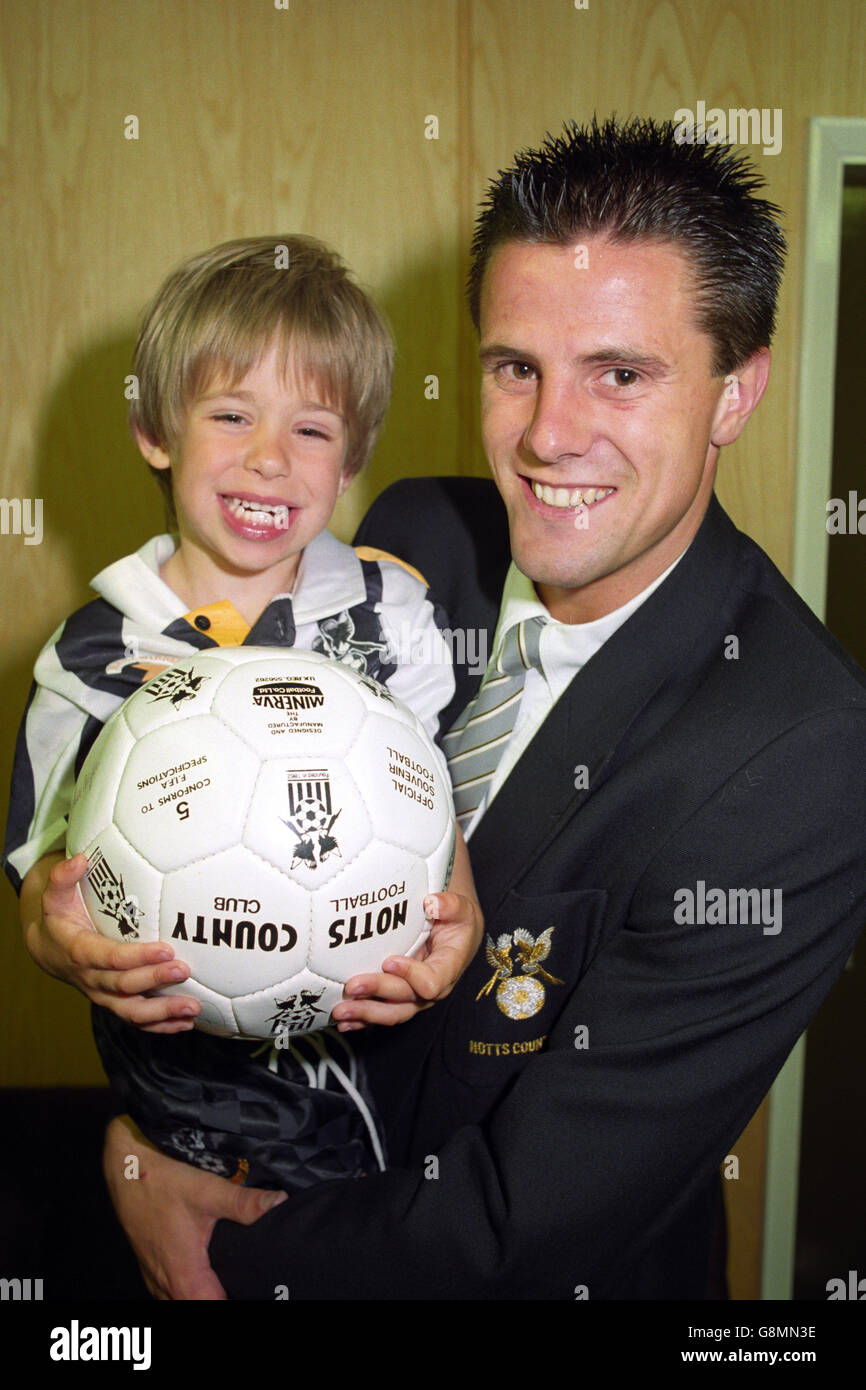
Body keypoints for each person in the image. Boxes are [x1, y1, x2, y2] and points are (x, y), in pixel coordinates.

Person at [106, 115, 865, 1301]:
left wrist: (208, 1241)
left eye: (619, 372)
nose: (546, 435)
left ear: (735, 390)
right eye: (516, 366)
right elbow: (206, 829)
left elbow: (527, 1220)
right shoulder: (414, 540)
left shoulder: (803, 751)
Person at [4, 235, 482, 1195]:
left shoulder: (393, 612)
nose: (270, 461)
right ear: (156, 430)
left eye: (311, 430)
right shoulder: (94, 656)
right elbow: (40, 881)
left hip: (386, 1111)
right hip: (186, 1117)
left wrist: (456, 916)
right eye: (231, 415)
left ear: (353, 457)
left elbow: (432, 796)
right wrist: (57, 944)